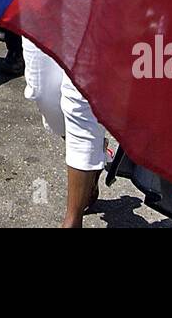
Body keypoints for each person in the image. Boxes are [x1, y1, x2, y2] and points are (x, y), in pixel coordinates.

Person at [23, 41, 109, 226]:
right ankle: (91, 163)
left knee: (80, 107)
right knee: (42, 93)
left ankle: (72, 220)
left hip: (99, 16)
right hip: (41, 14)